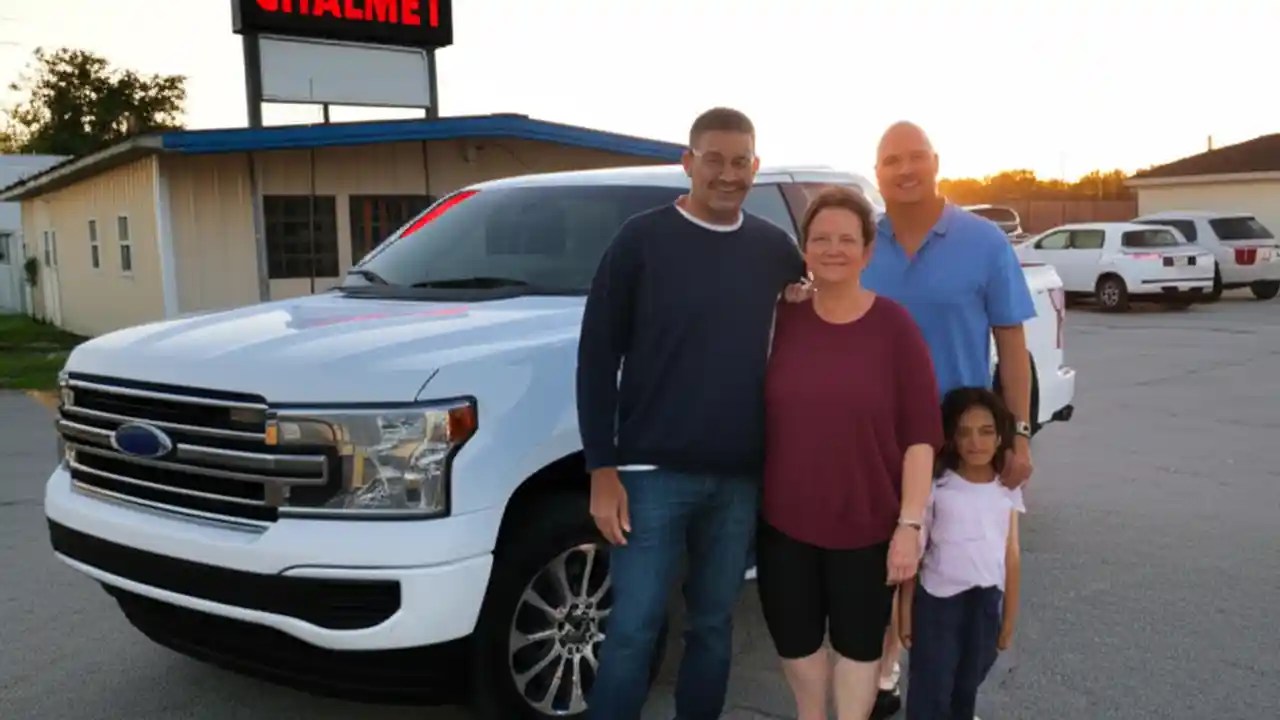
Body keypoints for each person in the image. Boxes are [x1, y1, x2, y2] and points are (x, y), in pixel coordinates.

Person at [575, 107, 806, 720]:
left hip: (738, 477)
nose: (727, 175)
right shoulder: (640, 242)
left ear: (754, 167)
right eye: (714, 160)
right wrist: (603, 470)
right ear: (688, 163)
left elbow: (821, 312)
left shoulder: (773, 249)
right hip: (650, 475)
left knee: (712, 626)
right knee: (634, 628)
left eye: (739, 162)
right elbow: (596, 357)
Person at [859, 121, 1039, 718]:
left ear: (936, 162)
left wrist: (1018, 435)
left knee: (950, 579)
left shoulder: (984, 242)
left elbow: (1012, 346)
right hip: (871, 441)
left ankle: (947, 696)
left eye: (915, 157)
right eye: (891, 160)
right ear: (876, 172)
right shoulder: (861, 242)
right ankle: (881, 678)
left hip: (953, 444)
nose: (904, 170)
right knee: (874, 566)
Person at [755, 185, 944, 720]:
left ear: (867, 251)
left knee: (860, 648)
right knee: (797, 643)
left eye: (846, 239)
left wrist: (909, 524)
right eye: (820, 238)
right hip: (785, 523)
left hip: (868, 525)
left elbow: (920, 438)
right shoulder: (780, 320)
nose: (832, 248)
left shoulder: (895, 329)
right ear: (805, 248)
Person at [898, 387, 1024, 720]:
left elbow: (1012, 553)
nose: (976, 442)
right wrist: (905, 610)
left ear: (1000, 437)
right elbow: (917, 549)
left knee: (968, 682)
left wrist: (1008, 617)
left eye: (985, 432)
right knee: (932, 684)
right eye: (964, 433)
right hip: (938, 602)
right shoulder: (937, 487)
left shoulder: (1007, 488)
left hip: (985, 600)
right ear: (951, 438)